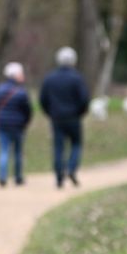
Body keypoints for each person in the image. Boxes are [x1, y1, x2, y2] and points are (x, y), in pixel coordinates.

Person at [38, 47, 90, 188]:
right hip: (73, 118)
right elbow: (84, 99)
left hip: (57, 118)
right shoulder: (77, 78)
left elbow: (43, 99)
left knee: (58, 147)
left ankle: (59, 177)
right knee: (76, 144)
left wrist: (49, 112)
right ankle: (72, 169)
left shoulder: (50, 78)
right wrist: (81, 112)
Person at [0, 62, 32, 187]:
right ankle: (18, 177)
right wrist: (25, 122)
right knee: (18, 152)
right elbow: (27, 110)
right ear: (15, 75)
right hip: (18, 126)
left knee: (4, 150)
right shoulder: (21, 91)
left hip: (2, 124)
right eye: (21, 73)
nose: (22, 76)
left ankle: (2, 177)